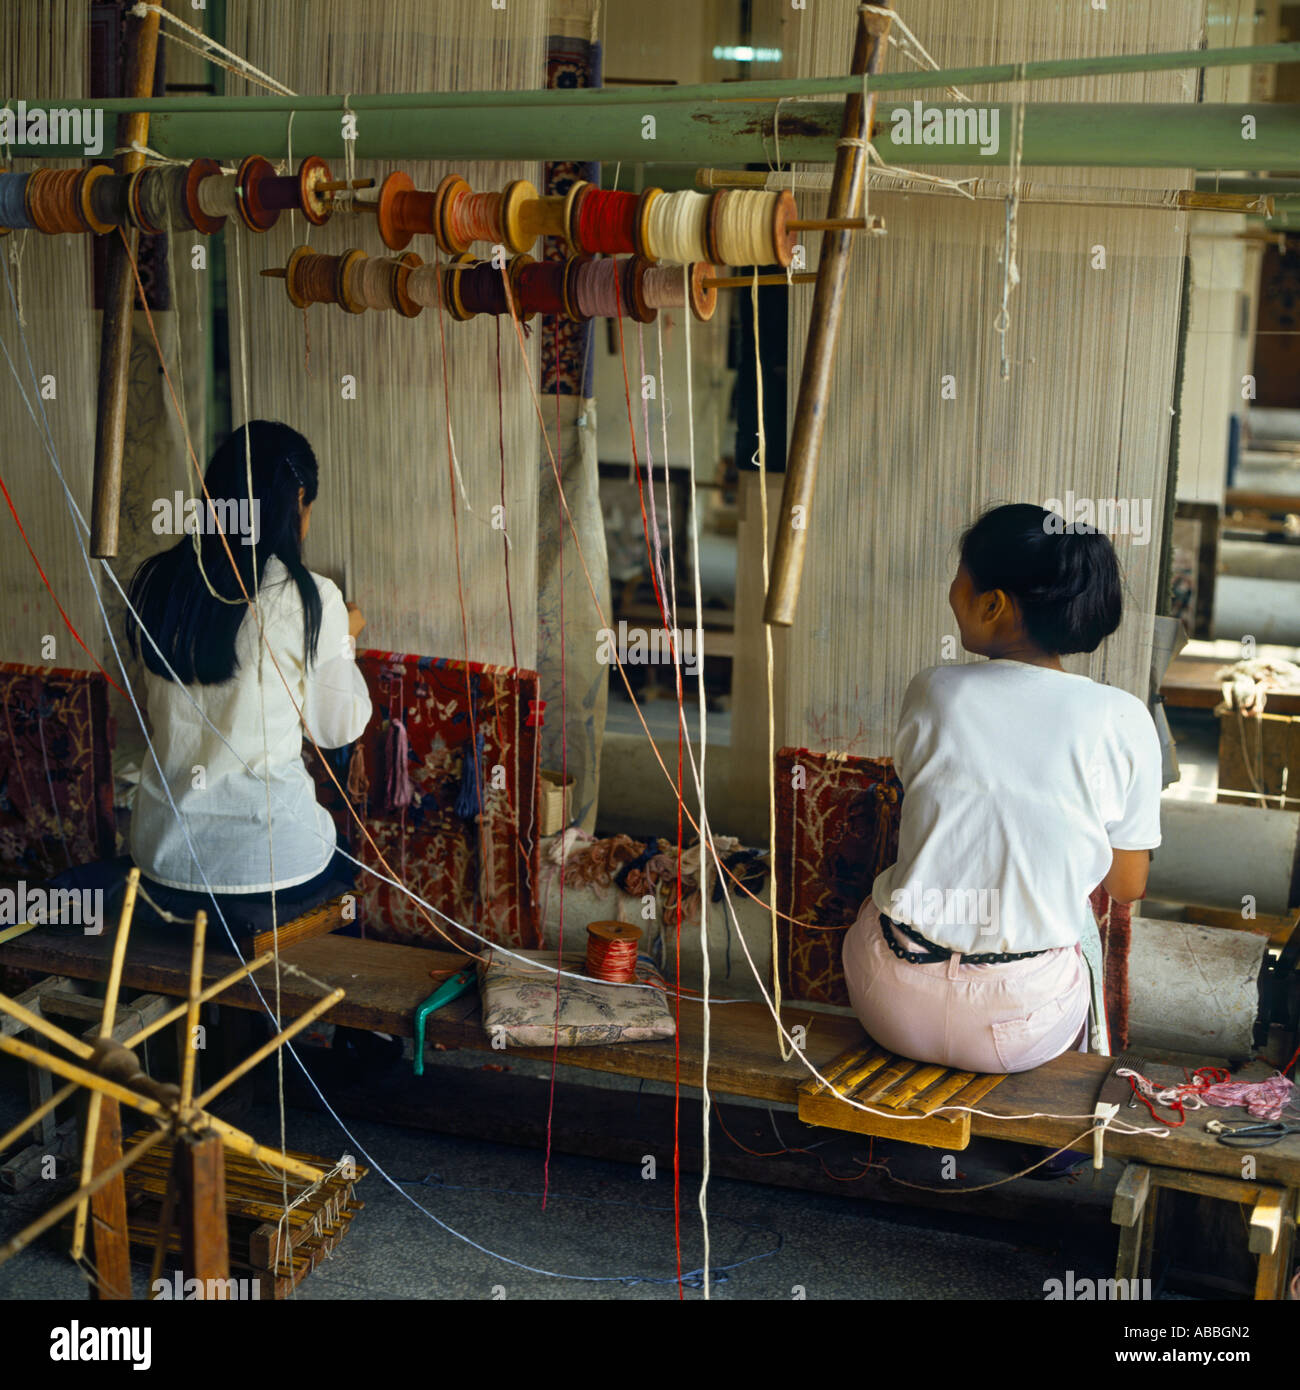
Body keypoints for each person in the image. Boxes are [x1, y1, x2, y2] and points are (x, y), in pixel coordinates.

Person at [843, 502, 1162, 1074]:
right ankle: (1056, 1143)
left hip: (886, 1001)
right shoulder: (1124, 718)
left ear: (992, 604)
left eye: (959, 581)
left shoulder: (934, 691)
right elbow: (1127, 884)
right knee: (1075, 934)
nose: (951, 594)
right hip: (1018, 1027)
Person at [123, 419, 371, 941]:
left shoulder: (156, 583)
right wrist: (342, 637)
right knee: (348, 872)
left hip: (161, 859)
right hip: (268, 868)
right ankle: (333, 1023)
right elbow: (336, 729)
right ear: (298, 499)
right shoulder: (310, 597)